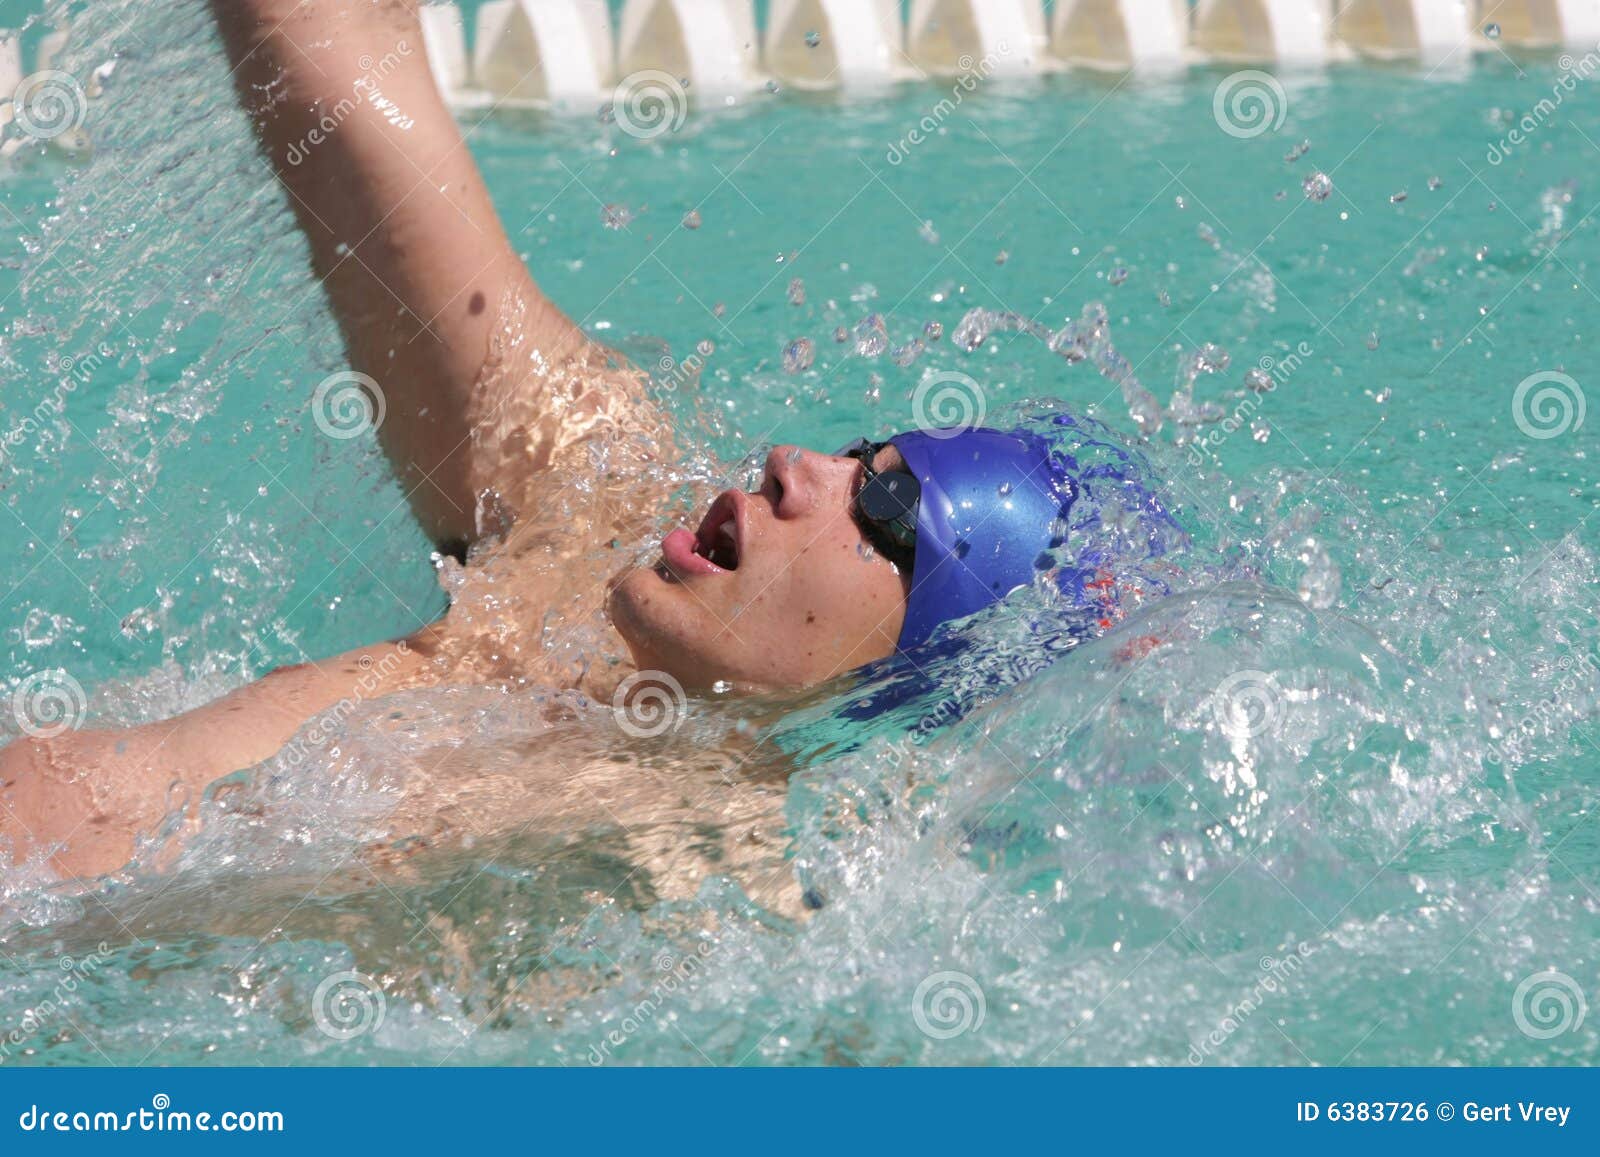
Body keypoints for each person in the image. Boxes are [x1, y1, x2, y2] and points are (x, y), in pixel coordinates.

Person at [0, 1, 1177, 904]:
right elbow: (341, 60)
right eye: (854, 448)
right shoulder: (584, 492)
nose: (792, 463)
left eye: (881, 505)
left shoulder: (707, 890)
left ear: (920, 671)